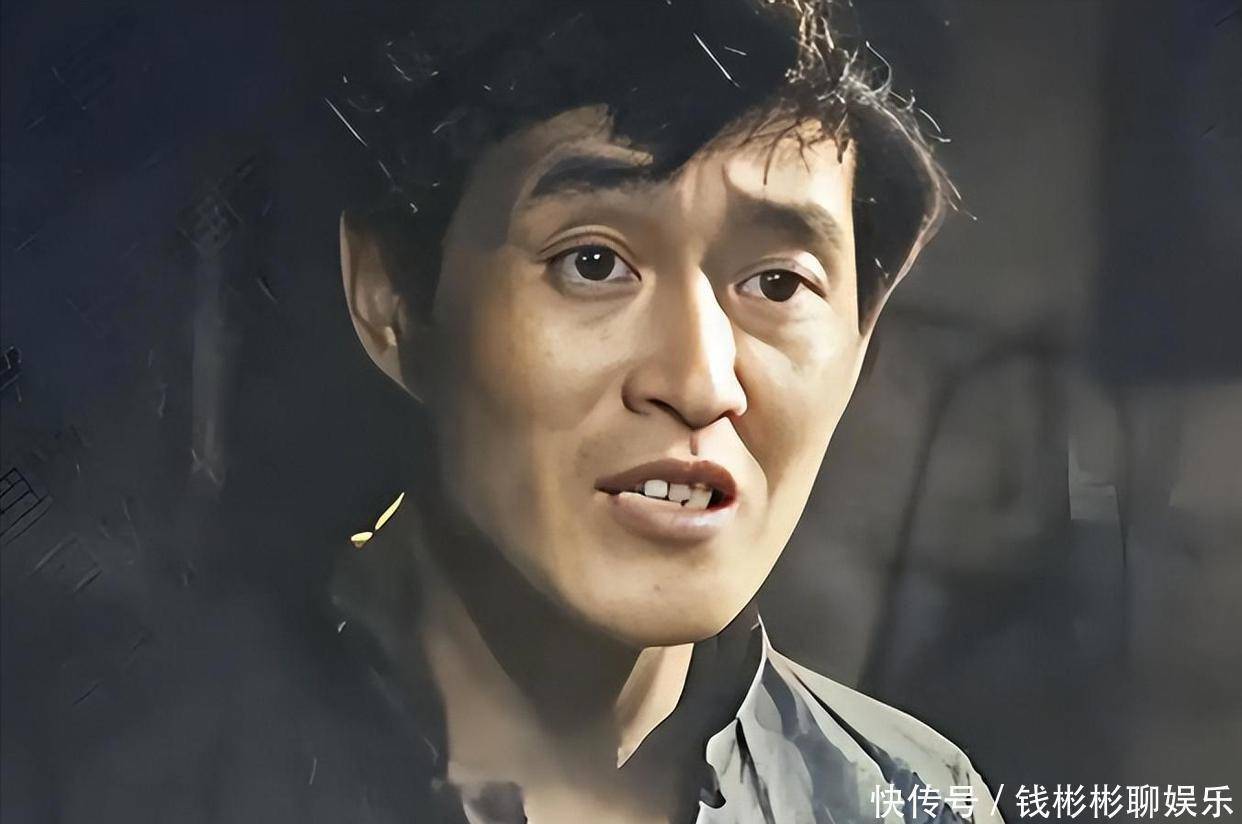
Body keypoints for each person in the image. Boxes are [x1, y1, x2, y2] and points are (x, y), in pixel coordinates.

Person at [324, 0, 1002, 821]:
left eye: (778, 284)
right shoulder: (190, 758)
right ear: (391, 298)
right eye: (593, 263)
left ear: (861, 340)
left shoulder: (908, 800)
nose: (701, 383)